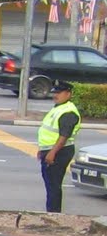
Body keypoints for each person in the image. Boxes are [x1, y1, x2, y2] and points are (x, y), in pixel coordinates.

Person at [38, 81, 80, 213]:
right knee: (50, 184)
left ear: (68, 94)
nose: (55, 95)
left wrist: (52, 153)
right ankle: (52, 212)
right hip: (51, 150)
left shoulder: (68, 112)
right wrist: (42, 150)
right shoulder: (59, 107)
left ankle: (54, 214)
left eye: (59, 93)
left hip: (59, 152)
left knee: (53, 186)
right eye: (55, 92)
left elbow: (64, 136)